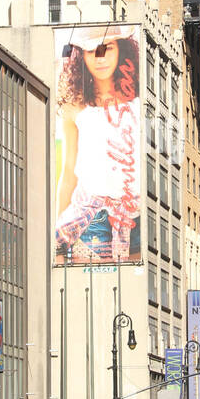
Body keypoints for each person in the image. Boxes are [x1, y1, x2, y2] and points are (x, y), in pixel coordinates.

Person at [55, 30, 141, 263]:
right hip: (92, 217)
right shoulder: (74, 107)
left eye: (108, 48)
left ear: (120, 50)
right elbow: (69, 171)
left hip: (139, 216)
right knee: (91, 290)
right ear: (81, 56)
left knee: (136, 292)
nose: (100, 57)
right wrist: (57, 248)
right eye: (92, 51)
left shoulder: (140, 102)